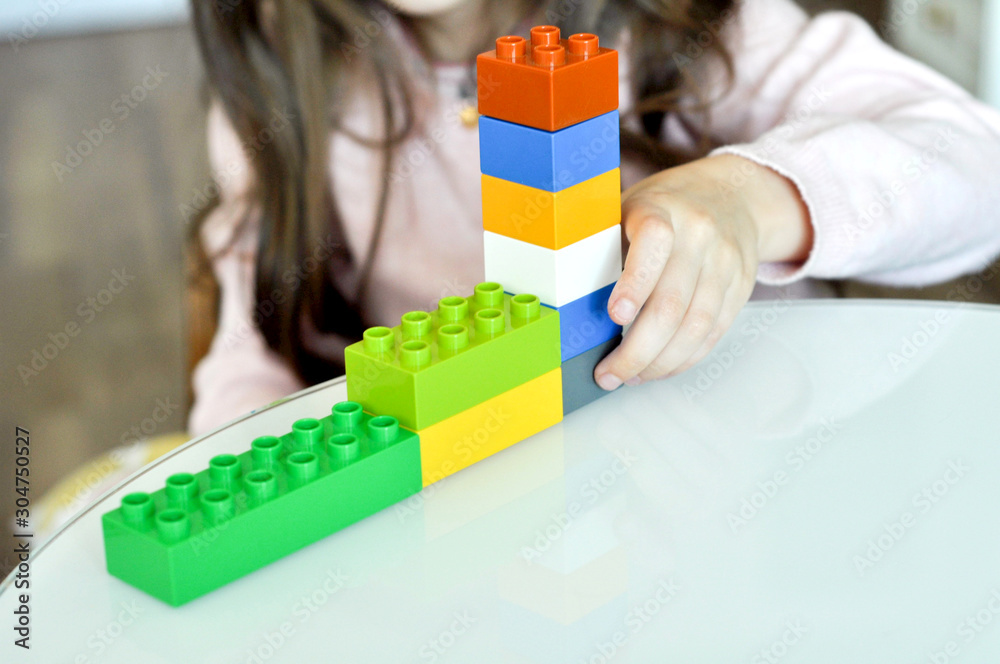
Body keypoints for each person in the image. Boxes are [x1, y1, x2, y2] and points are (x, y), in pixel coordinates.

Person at [186, 0, 1000, 436]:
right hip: (493, 513)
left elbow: (974, 169)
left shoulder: (694, 29)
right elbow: (254, 348)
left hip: (742, 486)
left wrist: (748, 200)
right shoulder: (284, 91)